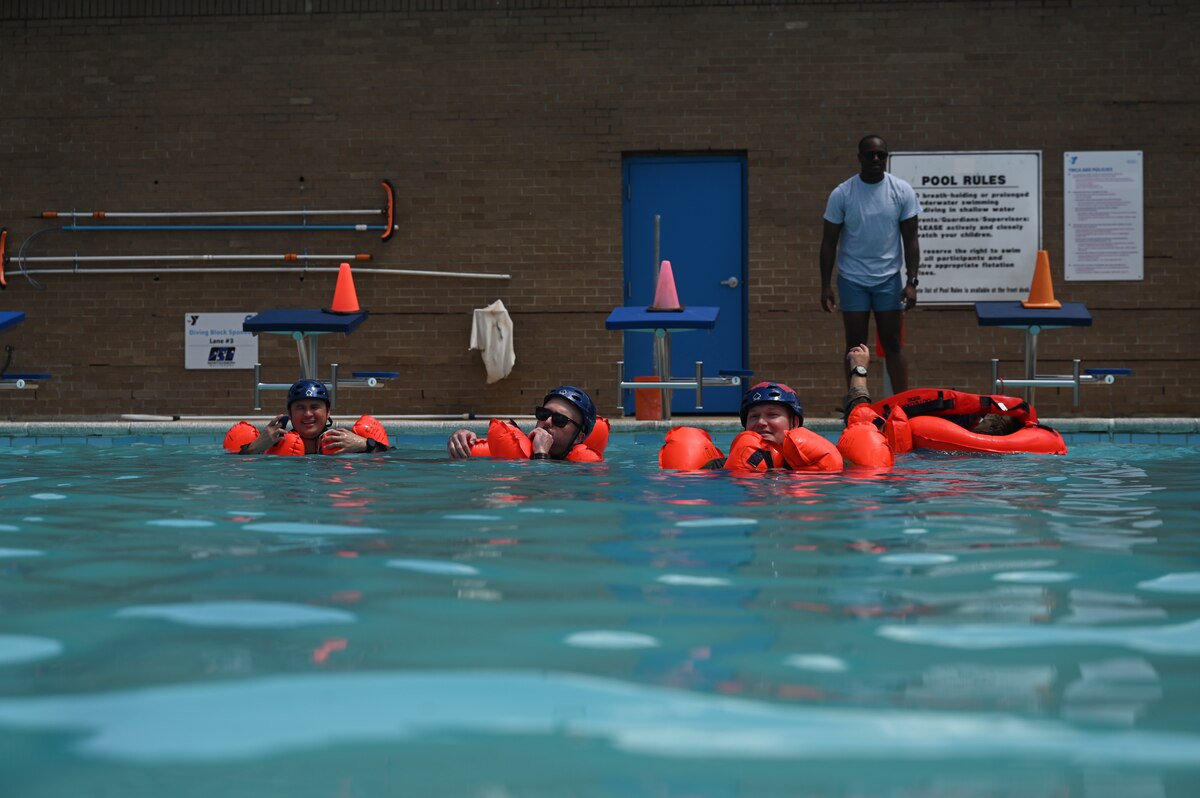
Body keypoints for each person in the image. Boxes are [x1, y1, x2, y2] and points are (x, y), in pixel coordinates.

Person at [820, 134, 922, 394]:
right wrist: (825, 285)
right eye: (870, 155)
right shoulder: (843, 194)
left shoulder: (901, 191)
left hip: (888, 278)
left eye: (881, 155)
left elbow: (911, 239)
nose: (876, 159)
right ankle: (857, 403)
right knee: (856, 345)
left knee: (893, 342)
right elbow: (829, 242)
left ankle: (901, 405)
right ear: (859, 158)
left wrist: (911, 282)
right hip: (852, 279)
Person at [659, 381, 842, 472]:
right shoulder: (719, 467)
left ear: (794, 422)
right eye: (754, 416)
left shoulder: (821, 459)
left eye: (772, 415)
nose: (761, 423)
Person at [225, 378, 390, 455]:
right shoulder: (271, 446)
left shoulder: (344, 441)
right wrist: (254, 448)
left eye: (315, 407)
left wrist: (364, 444)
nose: (308, 414)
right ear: (290, 413)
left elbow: (392, 458)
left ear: (328, 412)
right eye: (300, 407)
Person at [447, 385, 603, 461]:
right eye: (544, 413)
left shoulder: (583, 469)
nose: (547, 422)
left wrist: (541, 453)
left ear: (578, 438)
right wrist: (460, 440)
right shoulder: (514, 445)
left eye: (560, 420)